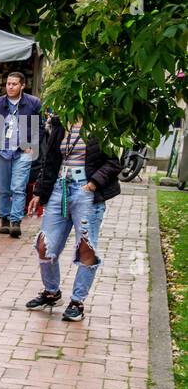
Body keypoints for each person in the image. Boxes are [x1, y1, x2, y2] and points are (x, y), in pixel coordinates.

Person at [24, 115, 120, 322]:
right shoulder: (60, 122)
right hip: (60, 188)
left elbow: (114, 162)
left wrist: (93, 184)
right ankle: (51, 292)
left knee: (86, 246)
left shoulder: (101, 121)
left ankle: (77, 301)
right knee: (44, 245)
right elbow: (49, 161)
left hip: (86, 191)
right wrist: (40, 192)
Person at [0, 71, 44, 238]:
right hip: (1, 152)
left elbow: (39, 127)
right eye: (8, 84)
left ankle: (16, 221)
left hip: (22, 151)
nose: (10, 87)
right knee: (3, 188)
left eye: (14, 84)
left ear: (22, 86)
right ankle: (4, 218)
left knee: (18, 187)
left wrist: (33, 145)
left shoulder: (33, 103)